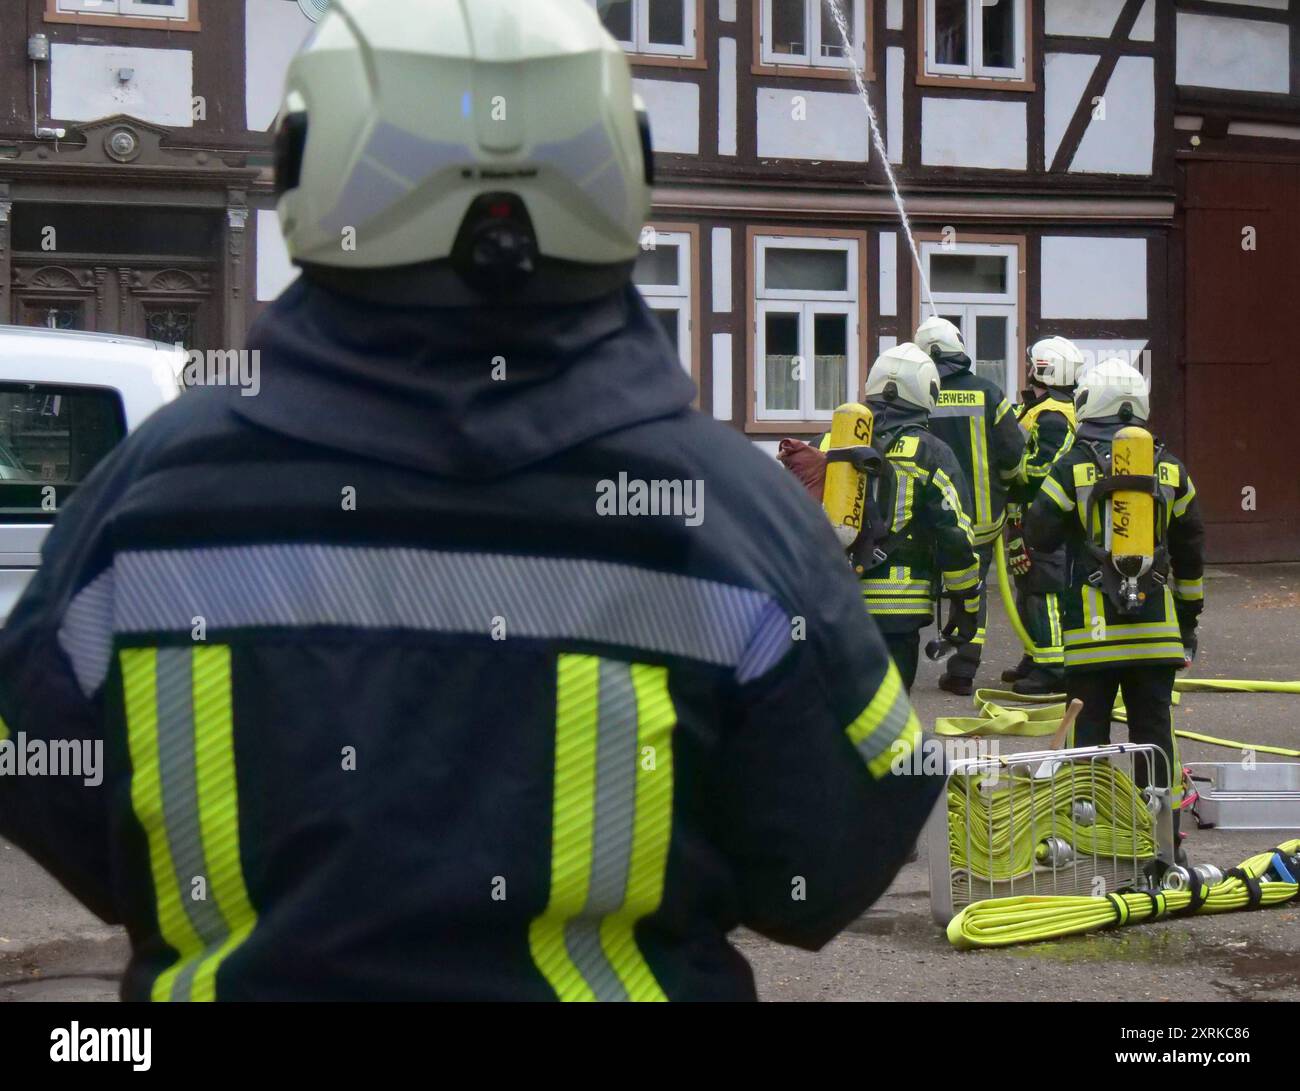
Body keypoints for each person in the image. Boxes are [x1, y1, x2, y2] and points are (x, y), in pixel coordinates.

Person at [0, 0, 940, 1002]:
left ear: (309, 170)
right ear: (622, 172)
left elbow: (40, 774)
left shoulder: (152, 502)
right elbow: (831, 862)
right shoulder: (730, 517)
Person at [1025, 358, 1204, 854]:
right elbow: (1191, 550)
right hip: (1157, 632)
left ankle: (1086, 839)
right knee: (1153, 733)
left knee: (1090, 731)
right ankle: (1164, 842)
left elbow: (1038, 528)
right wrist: (1188, 621)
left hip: (1091, 633)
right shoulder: (1169, 466)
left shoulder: (1074, 463)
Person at [813, 345, 981, 691]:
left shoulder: (827, 442)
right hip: (896, 613)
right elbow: (956, 536)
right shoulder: (930, 452)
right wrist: (967, 603)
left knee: (834, 720)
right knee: (887, 724)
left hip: (830, 605)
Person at [915, 316, 1025, 696]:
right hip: (981, 522)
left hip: (925, 522)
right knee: (971, 592)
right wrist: (1004, 488)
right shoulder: (990, 394)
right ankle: (962, 671)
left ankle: (899, 665)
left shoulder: (917, 397)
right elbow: (1014, 456)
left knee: (914, 591)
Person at [1002, 336, 1083, 695]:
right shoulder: (1047, 407)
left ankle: (1053, 667)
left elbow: (1039, 468)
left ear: (1044, 368)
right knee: (1027, 583)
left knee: (1043, 588)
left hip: (1043, 516)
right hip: (1027, 515)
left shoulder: (1053, 416)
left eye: (1033, 364)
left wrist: (1008, 470)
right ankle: (1035, 654)